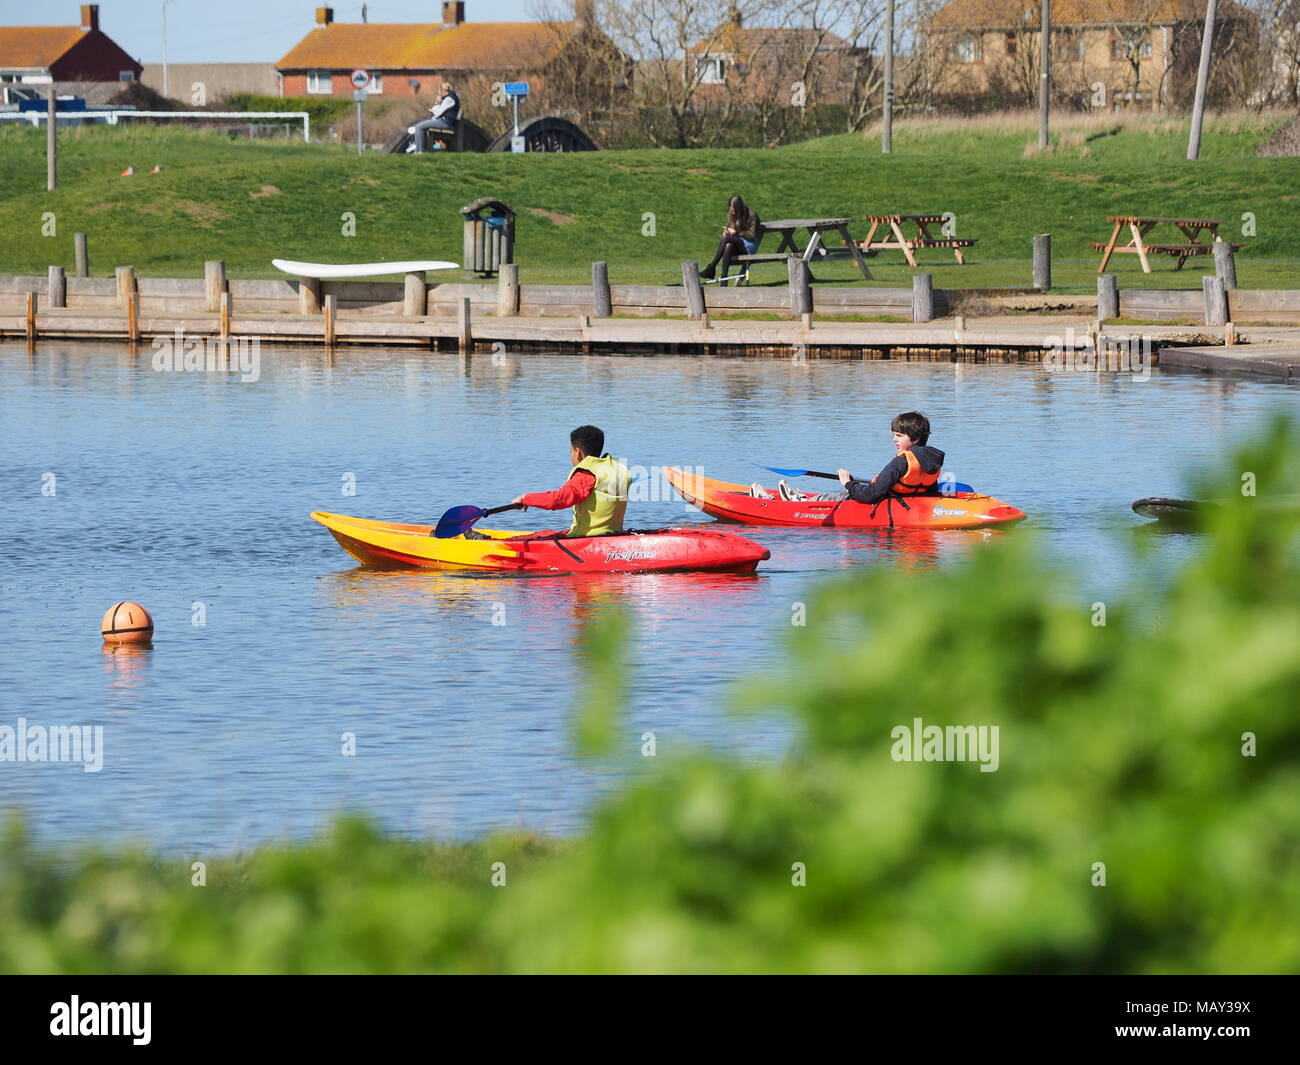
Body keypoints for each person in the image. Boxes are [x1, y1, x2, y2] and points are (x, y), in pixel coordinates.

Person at [753, 411, 944, 504]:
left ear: (916, 438)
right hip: (903, 501)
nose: (893, 439)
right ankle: (798, 496)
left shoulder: (901, 462)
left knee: (840, 496)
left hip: (883, 502)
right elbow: (930, 491)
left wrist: (847, 483)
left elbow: (870, 495)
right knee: (850, 491)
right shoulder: (933, 462)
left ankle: (796, 501)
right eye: (894, 434)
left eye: (899, 435)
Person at [511, 425, 630, 537]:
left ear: (577, 452)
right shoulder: (616, 468)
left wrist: (525, 498)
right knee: (547, 533)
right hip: (613, 535)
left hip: (586, 540)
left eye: (571, 451)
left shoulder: (586, 474)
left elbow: (558, 500)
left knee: (529, 538)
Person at [700, 196, 761, 280]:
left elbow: (752, 235)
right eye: (730, 209)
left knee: (726, 239)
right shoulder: (732, 214)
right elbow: (733, 231)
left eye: (733, 210)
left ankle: (711, 267)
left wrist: (737, 233)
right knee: (728, 245)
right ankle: (723, 280)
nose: (731, 212)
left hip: (749, 245)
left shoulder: (751, 215)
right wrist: (728, 232)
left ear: (738, 208)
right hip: (738, 242)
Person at [407, 82, 460, 153]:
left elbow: (438, 113)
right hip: (445, 121)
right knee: (419, 126)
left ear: (444, 91)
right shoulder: (451, 97)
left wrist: (434, 108)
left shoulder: (449, 99)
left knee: (419, 127)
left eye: (440, 92)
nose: (440, 94)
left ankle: (420, 151)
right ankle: (417, 151)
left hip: (446, 123)